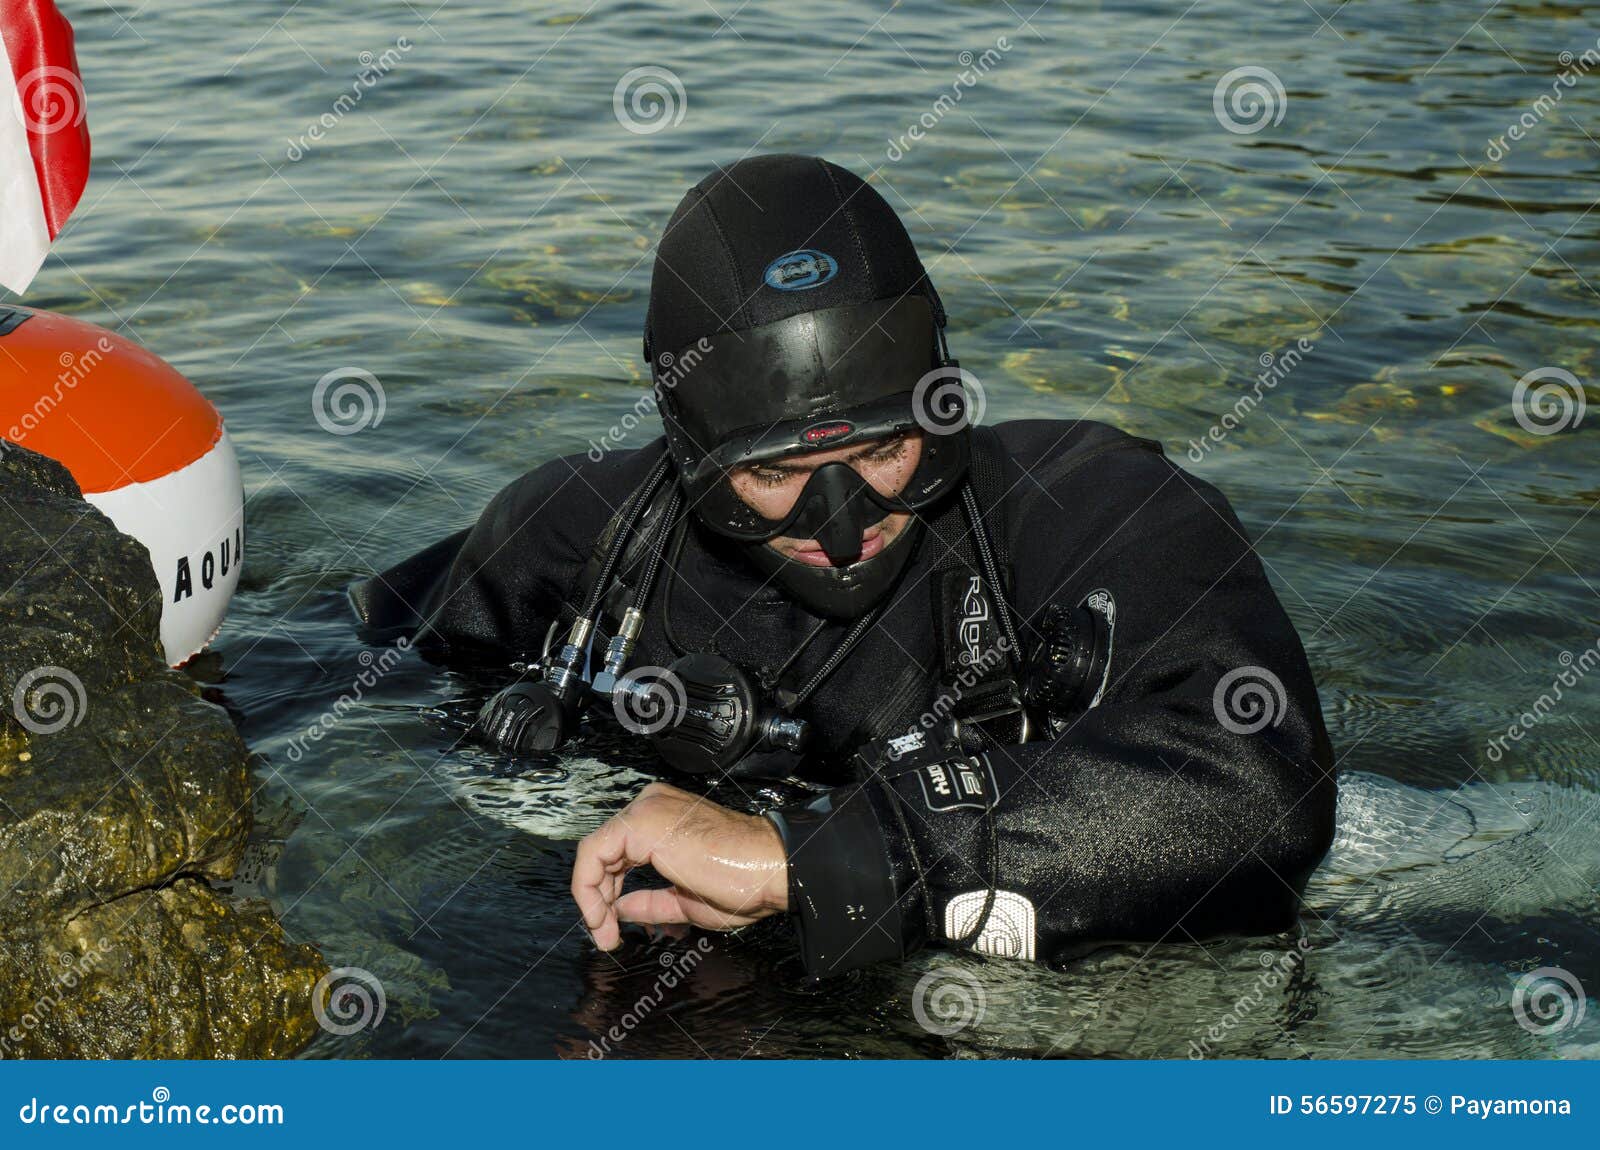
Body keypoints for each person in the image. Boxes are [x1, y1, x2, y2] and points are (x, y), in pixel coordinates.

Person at [348, 154, 1335, 976]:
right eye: (775, 471)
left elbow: (1258, 789)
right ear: (691, 452)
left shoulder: (1098, 503)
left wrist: (804, 856)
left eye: (881, 450)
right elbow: (353, 681)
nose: (842, 524)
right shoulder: (580, 532)